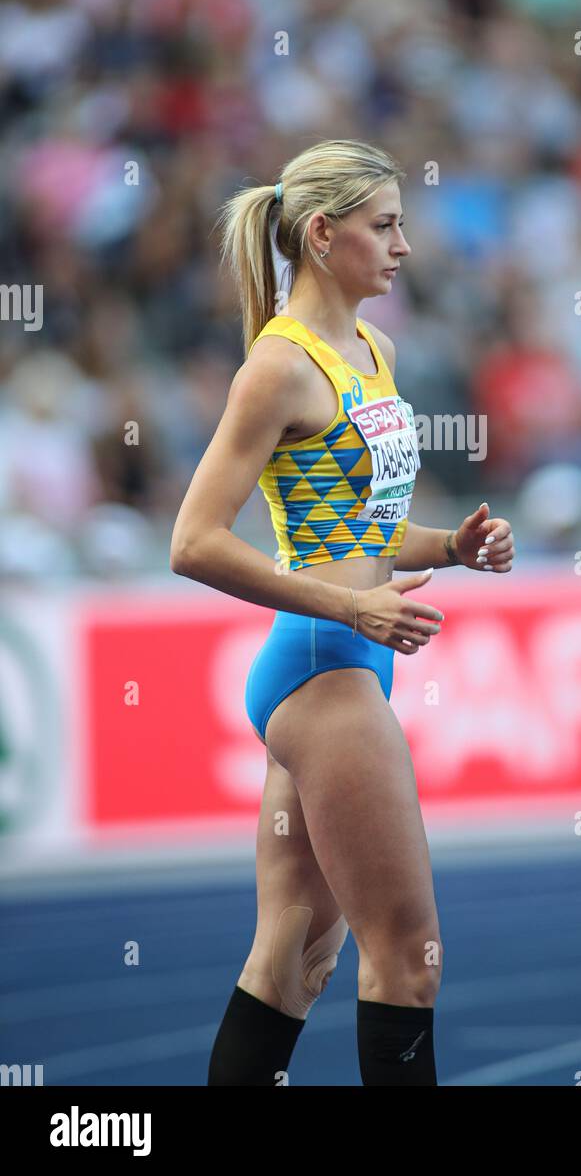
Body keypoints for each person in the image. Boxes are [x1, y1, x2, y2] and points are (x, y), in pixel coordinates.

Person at [169, 139, 515, 1086]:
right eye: (385, 226)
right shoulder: (277, 366)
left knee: (292, 965)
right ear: (323, 234)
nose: (404, 246)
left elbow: (362, 528)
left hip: (341, 656)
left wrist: (451, 546)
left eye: (403, 223)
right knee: (409, 960)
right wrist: (350, 609)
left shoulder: (374, 348)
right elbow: (194, 541)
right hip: (323, 666)